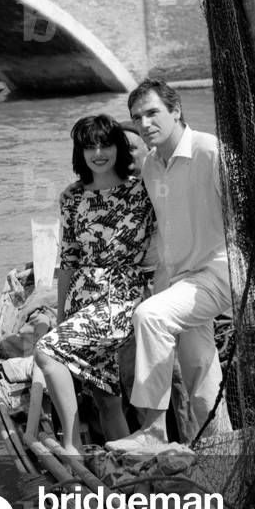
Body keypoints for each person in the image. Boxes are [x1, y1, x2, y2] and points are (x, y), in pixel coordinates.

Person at [114, 78, 231, 451]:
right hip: (182, 280)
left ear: (175, 110)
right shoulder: (150, 166)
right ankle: (223, 446)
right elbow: (166, 231)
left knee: (150, 316)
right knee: (200, 370)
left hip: (221, 271)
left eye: (153, 112)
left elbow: (248, 210)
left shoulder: (209, 151)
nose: (145, 123)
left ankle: (153, 431)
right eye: (137, 117)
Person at [33, 115, 155, 454]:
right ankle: (125, 468)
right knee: (106, 399)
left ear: (119, 147)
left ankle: (71, 446)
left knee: (46, 350)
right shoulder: (71, 197)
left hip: (121, 297)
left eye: (106, 144)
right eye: (89, 147)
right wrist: (61, 314)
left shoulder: (141, 189)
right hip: (81, 300)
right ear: (79, 153)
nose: (98, 153)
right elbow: (69, 261)